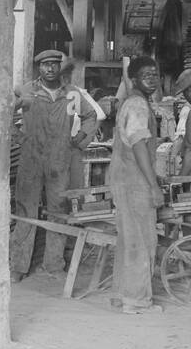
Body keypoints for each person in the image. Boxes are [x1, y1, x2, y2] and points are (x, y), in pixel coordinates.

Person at [10, 49, 99, 282]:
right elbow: (4, 113)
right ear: (38, 67)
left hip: (60, 160)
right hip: (31, 160)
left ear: (60, 67)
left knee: (58, 210)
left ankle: (54, 264)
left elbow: (91, 116)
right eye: (45, 64)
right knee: (25, 209)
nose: (50, 68)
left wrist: (79, 139)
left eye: (54, 64)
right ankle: (18, 266)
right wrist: (19, 138)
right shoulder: (25, 91)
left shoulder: (72, 93)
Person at [110, 56, 164, 314]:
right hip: (134, 180)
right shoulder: (138, 105)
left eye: (155, 74)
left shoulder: (132, 103)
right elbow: (139, 145)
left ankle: (122, 295)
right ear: (133, 80)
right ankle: (136, 301)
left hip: (125, 177)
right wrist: (153, 186)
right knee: (143, 241)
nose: (152, 79)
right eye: (146, 75)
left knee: (129, 240)